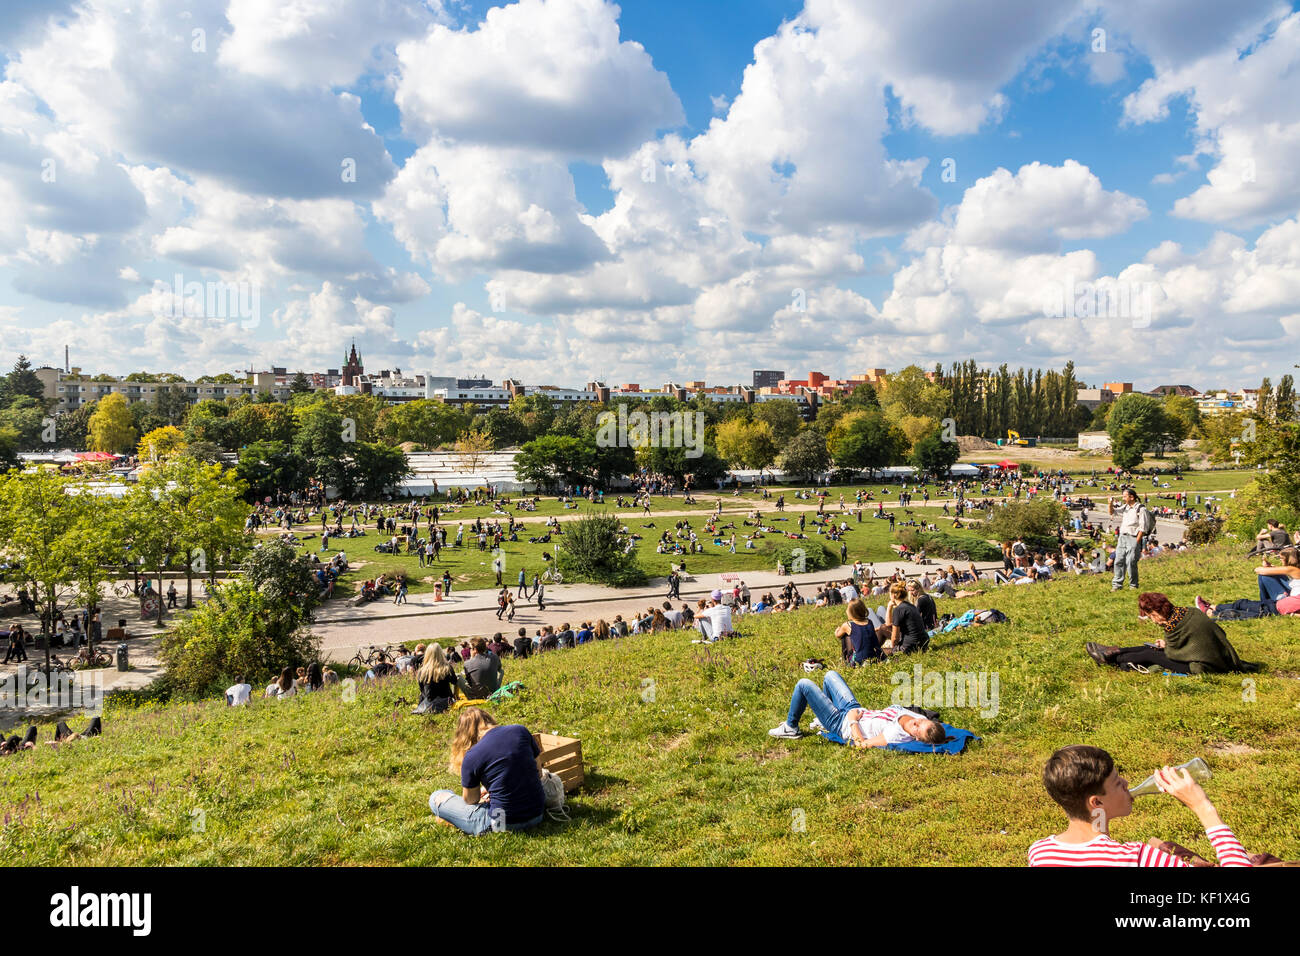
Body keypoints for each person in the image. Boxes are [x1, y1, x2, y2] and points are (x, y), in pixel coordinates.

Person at [1028, 745, 1250, 866]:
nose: (1126, 783)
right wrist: (1203, 807)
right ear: (1097, 803)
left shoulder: (1040, 852)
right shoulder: (1134, 858)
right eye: (1117, 782)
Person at [429, 707, 546, 835]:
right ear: (489, 719)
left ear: (464, 735)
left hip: (502, 822)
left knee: (437, 797)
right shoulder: (520, 730)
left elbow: (470, 800)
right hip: (537, 814)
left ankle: (454, 817)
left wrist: (483, 795)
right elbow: (538, 772)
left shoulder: (472, 754)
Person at [1085, 593, 1258, 675]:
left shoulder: (1173, 625)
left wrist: (1167, 646)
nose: (1153, 620)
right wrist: (1168, 644)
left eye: (1153, 615)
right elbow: (1202, 638)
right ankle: (1114, 651)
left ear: (1161, 610)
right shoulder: (1188, 612)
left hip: (1203, 666)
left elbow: (1173, 653)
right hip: (1219, 656)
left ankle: (1112, 658)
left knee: (1150, 653)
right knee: (1151, 647)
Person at [768, 670, 946, 745]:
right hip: (857, 709)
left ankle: (791, 727)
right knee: (830, 675)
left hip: (842, 724)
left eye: (917, 728)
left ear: (916, 737)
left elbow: (861, 744)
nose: (916, 722)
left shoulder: (896, 736)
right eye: (921, 721)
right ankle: (820, 720)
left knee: (804, 684)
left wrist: (853, 721)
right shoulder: (912, 716)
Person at [1108, 488, 1150, 590]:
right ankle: (1117, 585)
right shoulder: (1125, 507)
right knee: (1118, 560)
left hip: (1133, 537)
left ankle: (1133, 585)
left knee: (1131, 562)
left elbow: (1143, 528)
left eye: (1125, 496)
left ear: (1131, 497)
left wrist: (1136, 542)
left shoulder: (1141, 509)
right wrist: (1110, 504)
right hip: (1122, 536)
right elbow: (1112, 512)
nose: (1123, 498)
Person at [414, 644, 459, 714]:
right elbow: (455, 681)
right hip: (445, 701)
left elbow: (421, 688)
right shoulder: (447, 668)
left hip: (428, 703)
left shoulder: (422, 671)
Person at [836, 599, 882, 665]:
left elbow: (838, 635)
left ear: (852, 612)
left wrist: (837, 630)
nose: (846, 611)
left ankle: (846, 660)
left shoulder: (848, 625)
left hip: (858, 661)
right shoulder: (869, 622)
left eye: (847, 609)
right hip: (875, 657)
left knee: (845, 635)